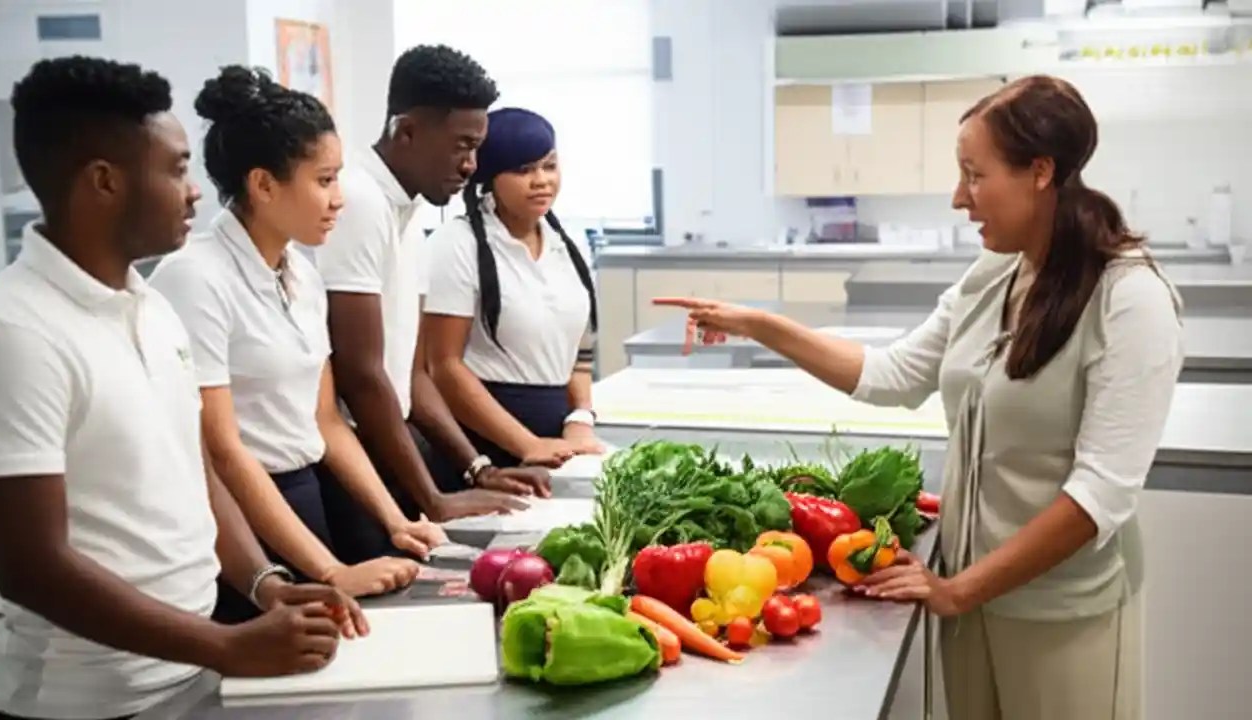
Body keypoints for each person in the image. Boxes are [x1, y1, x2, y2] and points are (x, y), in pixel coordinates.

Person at [657, 75, 1182, 720]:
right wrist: (759, 326)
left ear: (1040, 171)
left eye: (974, 175)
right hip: (969, 596)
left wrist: (960, 589)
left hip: (1058, 612)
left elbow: (1098, 494)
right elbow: (893, 374)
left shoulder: (1130, 300)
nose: (960, 198)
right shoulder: (995, 274)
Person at [0, 56, 367, 720]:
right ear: (104, 181)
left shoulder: (149, 305)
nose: (194, 192)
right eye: (176, 169)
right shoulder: (10, 329)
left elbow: (197, 468)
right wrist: (225, 644)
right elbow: (31, 566)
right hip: (79, 704)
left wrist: (264, 584)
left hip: (187, 674)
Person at [150, 66, 445, 620]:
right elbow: (222, 448)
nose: (339, 199)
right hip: (242, 525)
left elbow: (325, 422)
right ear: (263, 184)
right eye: (324, 180)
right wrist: (331, 570)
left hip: (307, 500)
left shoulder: (303, 275)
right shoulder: (194, 278)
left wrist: (395, 519)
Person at [316, 45, 554, 524]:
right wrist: (432, 499)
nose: (471, 166)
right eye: (462, 146)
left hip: (388, 442)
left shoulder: (411, 212)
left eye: (476, 149)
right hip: (350, 457)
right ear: (407, 131)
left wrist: (476, 467)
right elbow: (361, 374)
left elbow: (411, 371)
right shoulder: (360, 202)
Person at [423, 108, 602, 468]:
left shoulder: (568, 246)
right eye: (523, 170)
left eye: (549, 166)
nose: (541, 180)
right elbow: (443, 366)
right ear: (489, 177)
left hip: (554, 439)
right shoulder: (456, 243)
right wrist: (525, 444)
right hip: (479, 444)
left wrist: (580, 419)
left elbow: (579, 353)